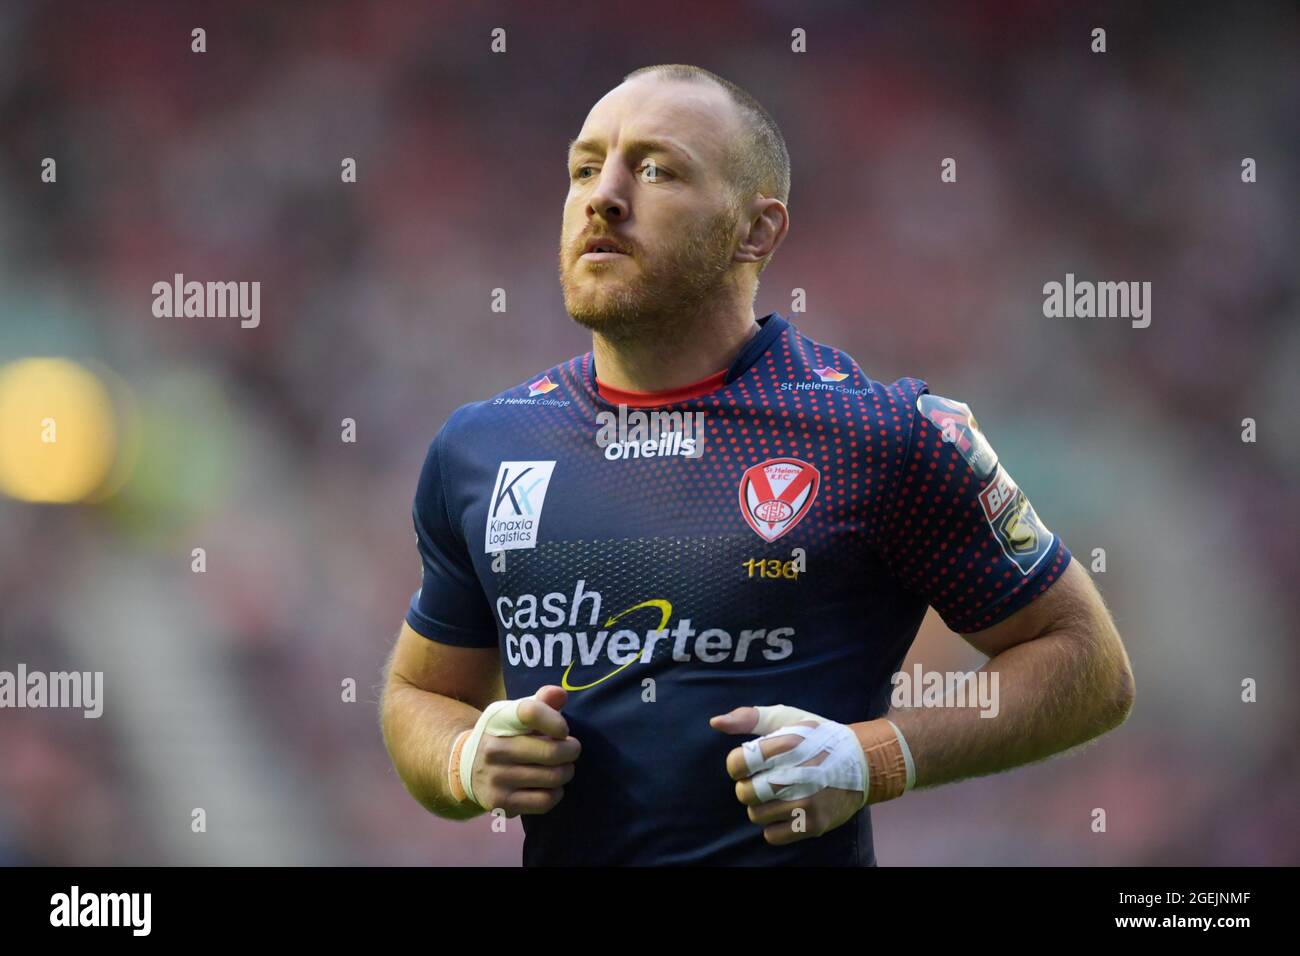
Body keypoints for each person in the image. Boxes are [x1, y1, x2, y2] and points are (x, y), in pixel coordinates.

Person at [379, 64, 1135, 865]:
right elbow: (421, 693)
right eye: (584, 168)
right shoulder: (482, 446)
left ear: (757, 231)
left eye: (656, 170)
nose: (604, 196)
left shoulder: (881, 433)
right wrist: (464, 757)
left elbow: (1086, 661)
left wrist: (871, 758)